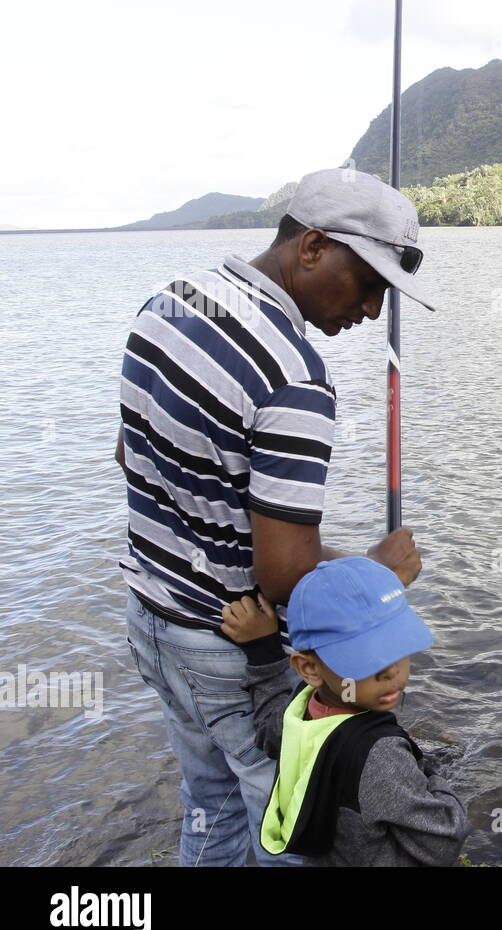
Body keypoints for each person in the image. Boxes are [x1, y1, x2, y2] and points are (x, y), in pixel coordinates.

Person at [117, 167, 435, 865]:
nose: (374, 310)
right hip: (225, 643)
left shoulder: (171, 302)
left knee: (211, 808)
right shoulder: (294, 377)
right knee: (287, 825)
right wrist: (377, 571)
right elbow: (286, 574)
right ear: (314, 247)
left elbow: (127, 453)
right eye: (371, 282)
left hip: (150, 613)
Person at [219, 557, 469, 866]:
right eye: (368, 657)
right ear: (309, 668)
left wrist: (262, 652)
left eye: (397, 646)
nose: (391, 671)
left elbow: (269, 732)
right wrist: (430, 777)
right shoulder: (383, 755)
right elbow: (443, 841)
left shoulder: (301, 709)